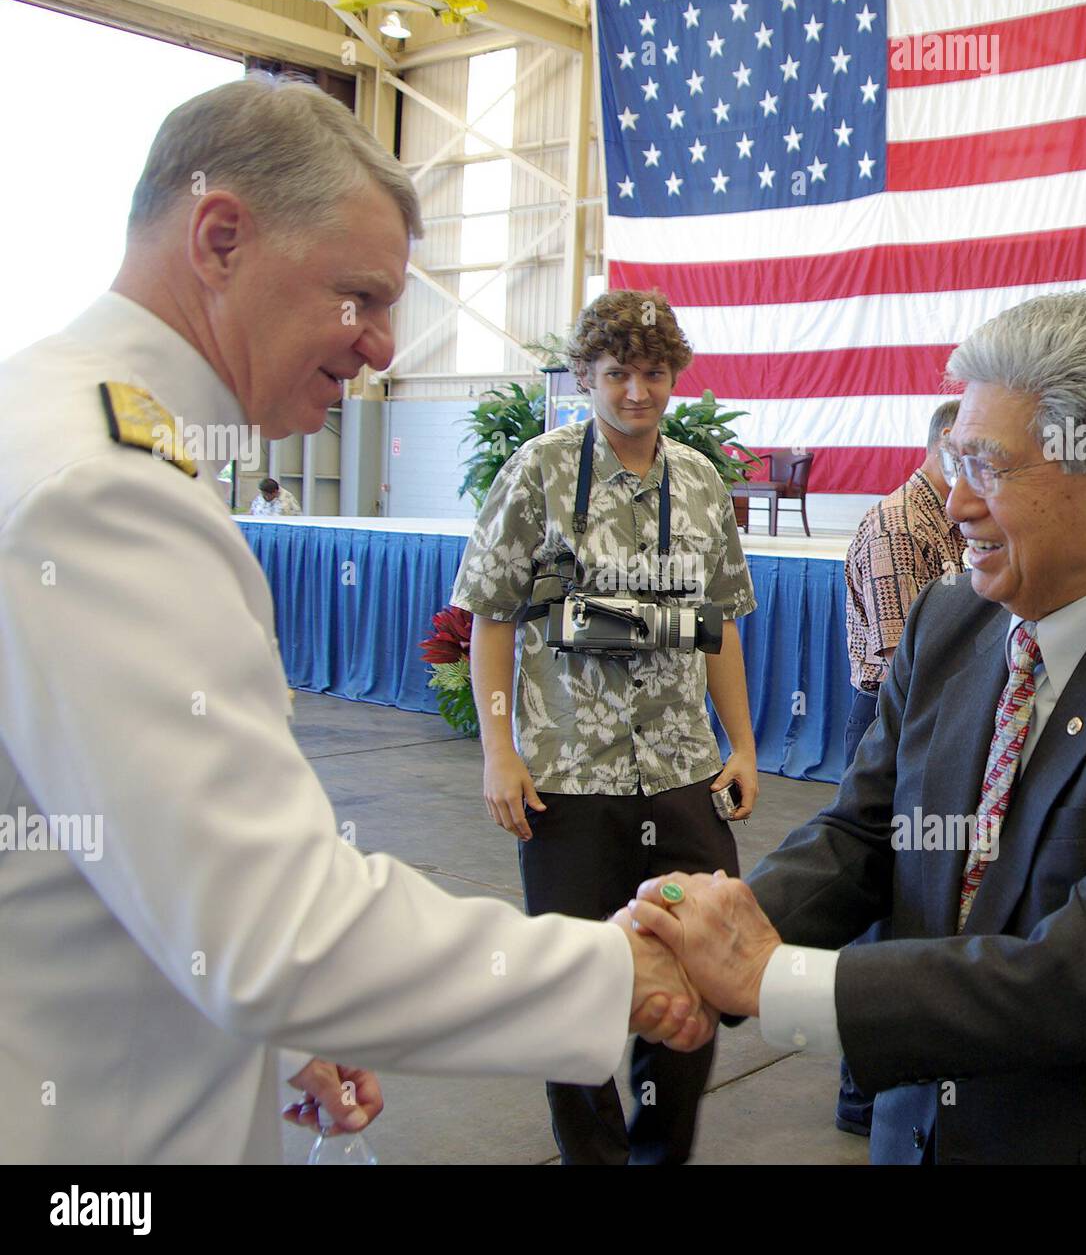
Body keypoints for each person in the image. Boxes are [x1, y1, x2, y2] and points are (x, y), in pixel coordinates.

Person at [0, 76, 713, 1166]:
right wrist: (618, 972)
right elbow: (274, 930)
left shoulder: (57, 427)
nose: (383, 346)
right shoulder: (103, 489)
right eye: (361, 298)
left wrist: (285, 1040)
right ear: (221, 238)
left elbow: (132, 868)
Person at [630, 292, 1086, 1165]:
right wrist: (703, 937)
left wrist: (767, 973)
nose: (953, 505)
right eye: (954, 462)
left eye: (988, 466)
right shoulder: (950, 620)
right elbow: (865, 836)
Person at [451, 288, 759, 1165]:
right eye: (617, 372)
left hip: (679, 769)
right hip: (567, 772)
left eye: (654, 372)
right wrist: (499, 751)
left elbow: (720, 622)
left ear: (675, 375)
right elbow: (493, 615)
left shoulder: (699, 482)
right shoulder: (540, 471)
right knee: (573, 992)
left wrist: (738, 743)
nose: (636, 391)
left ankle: (662, 1154)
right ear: (585, 374)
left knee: (697, 973)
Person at [836, 398, 965, 1135]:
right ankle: (860, 1096)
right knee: (881, 913)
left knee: (915, 903)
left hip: (932, 723)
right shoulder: (896, 526)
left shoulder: (949, 521)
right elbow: (899, 670)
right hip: (893, 726)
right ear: (948, 442)